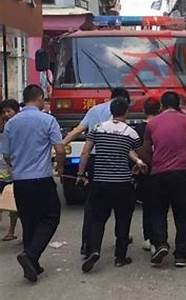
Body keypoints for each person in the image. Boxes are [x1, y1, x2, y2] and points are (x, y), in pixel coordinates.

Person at [2, 85, 65, 282]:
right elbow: (60, 150)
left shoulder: (11, 123)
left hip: (20, 181)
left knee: (29, 220)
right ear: (39, 98)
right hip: (41, 179)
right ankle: (30, 255)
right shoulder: (48, 120)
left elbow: (6, 154)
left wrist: (18, 167)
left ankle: (32, 264)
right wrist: (60, 168)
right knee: (51, 216)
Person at [77, 97, 147, 273]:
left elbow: (85, 152)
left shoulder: (97, 128)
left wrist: (80, 173)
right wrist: (138, 162)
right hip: (123, 184)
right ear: (126, 112)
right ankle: (120, 257)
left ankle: (94, 250)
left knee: (97, 219)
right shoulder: (130, 132)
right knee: (123, 220)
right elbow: (133, 151)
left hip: (100, 182)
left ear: (111, 111)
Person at [62, 87, 131, 257]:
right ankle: (121, 248)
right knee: (121, 206)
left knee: (93, 205)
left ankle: (88, 245)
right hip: (117, 162)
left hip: (94, 162)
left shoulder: (95, 110)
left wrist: (60, 145)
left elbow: (78, 130)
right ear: (124, 102)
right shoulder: (121, 115)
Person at [140, 91, 186, 268]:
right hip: (183, 173)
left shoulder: (152, 123)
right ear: (178, 104)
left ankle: (160, 244)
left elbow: (145, 150)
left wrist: (153, 163)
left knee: (158, 211)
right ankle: (181, 255)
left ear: (162, 105)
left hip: (159, 173)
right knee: (183, 214)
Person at [134, 99, 161, 252]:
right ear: (159, 109)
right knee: (159, 206)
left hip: (144, 171)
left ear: (144, 110)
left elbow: (134, 150)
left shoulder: (137, 129)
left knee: (147, 206)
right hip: (161, 170)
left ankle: (148, 238)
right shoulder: (162, 126)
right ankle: (158, 238)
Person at [0, 99, 20, 241]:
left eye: (9, 111)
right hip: (3, 171)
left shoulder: (18, 127)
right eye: (4, 112)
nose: (6, 114)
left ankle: (12, 230)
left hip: (14, 172)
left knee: (14, 204)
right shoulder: (4, 127)